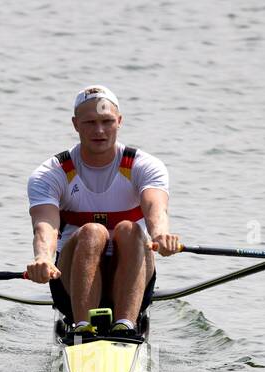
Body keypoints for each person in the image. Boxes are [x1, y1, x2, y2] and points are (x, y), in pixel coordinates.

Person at [24, 85, 180, 338]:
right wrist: (42, 258)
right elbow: (45, 225)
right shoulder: (52, 173)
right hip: (71, 277)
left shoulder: (144, 165)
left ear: (119, 121)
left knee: (129, 229)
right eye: (90, 122)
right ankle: (83, 328)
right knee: (93, 232)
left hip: (132, 269)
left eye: (107, 121)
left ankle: (126, 327)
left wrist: (162, 234)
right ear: (75, 124)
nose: (99, 130)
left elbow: (155, 208)